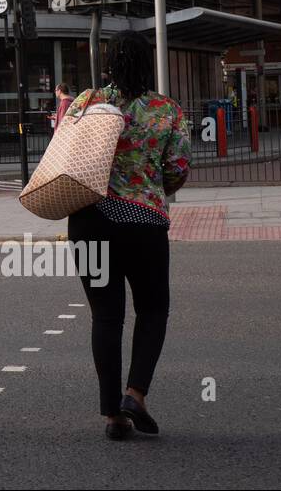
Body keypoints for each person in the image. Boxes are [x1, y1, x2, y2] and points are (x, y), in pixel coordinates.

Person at [65, 31, 190, 441]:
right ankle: (135, 395)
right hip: (144, 223)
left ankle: (111, 416)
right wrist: (150, 190)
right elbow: (178, 169)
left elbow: (64, 151)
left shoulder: (88, 102)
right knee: (152, 311)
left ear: (110, 63)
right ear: (149, 63)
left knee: (106, 315)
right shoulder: (166, 110)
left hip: (90, 220)